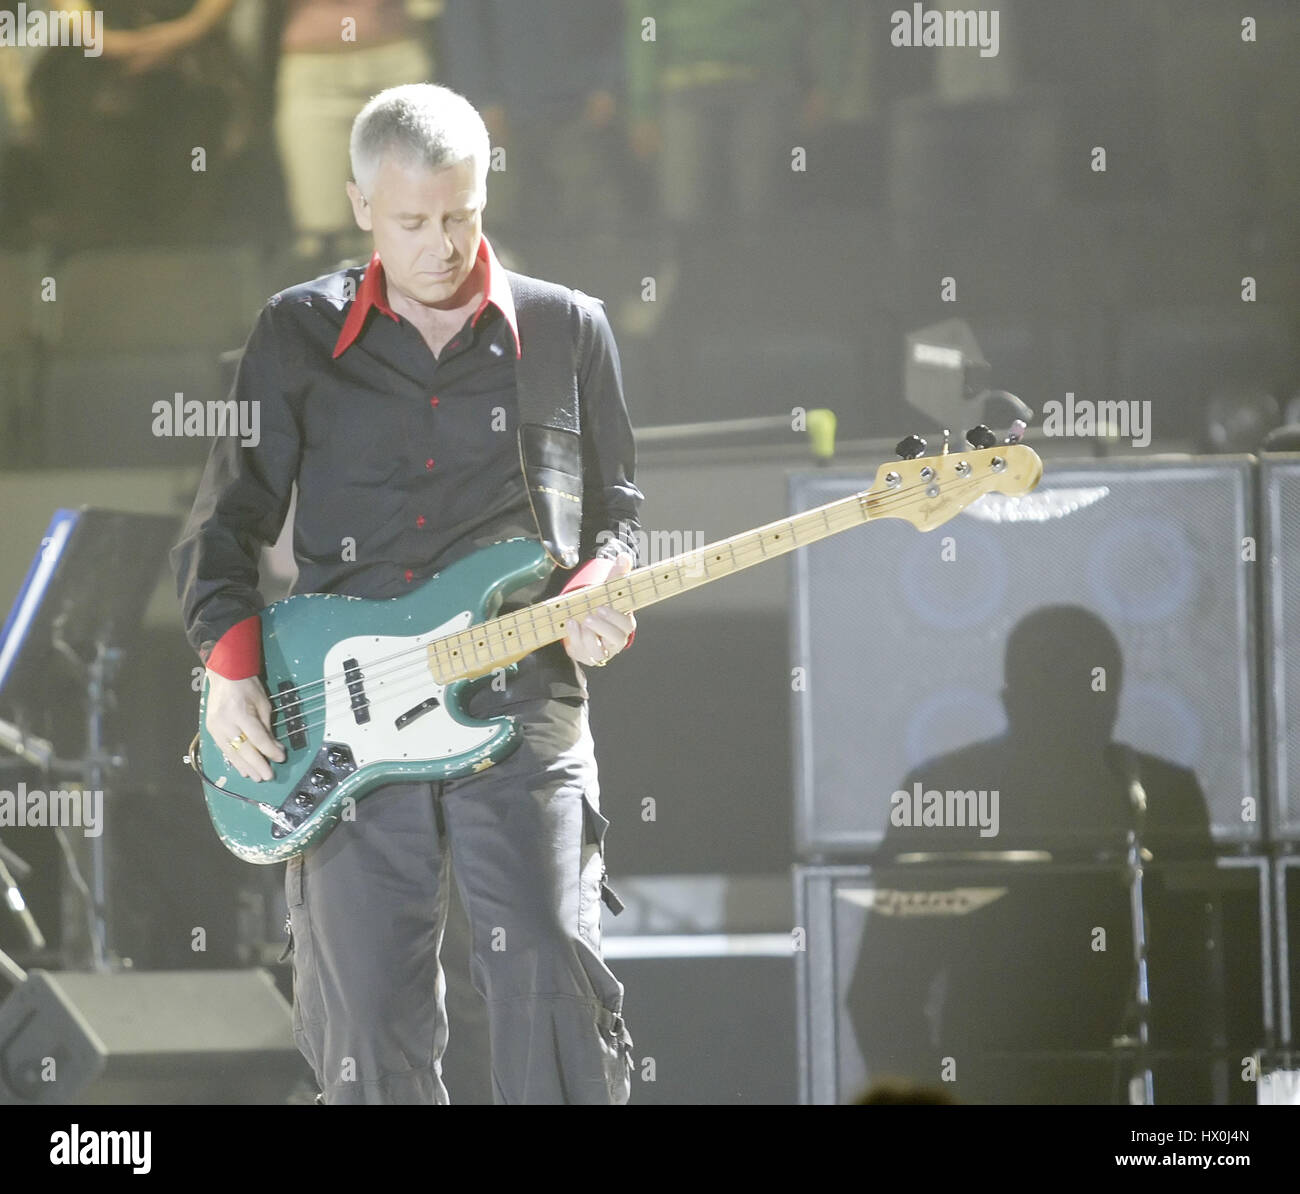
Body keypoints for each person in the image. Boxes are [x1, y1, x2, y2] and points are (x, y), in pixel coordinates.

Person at [171, 83, 643, 1105]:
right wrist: (230, 670)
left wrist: (604, 582)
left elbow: (617, 513)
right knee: (365, 1022)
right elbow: (225, 525)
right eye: (413, 222)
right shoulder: (295, 334)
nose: (441, 245)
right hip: (345, 718)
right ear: (358, 208)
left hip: (522, 700)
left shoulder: (568, 331)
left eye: (462, 217)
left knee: (551, 981)